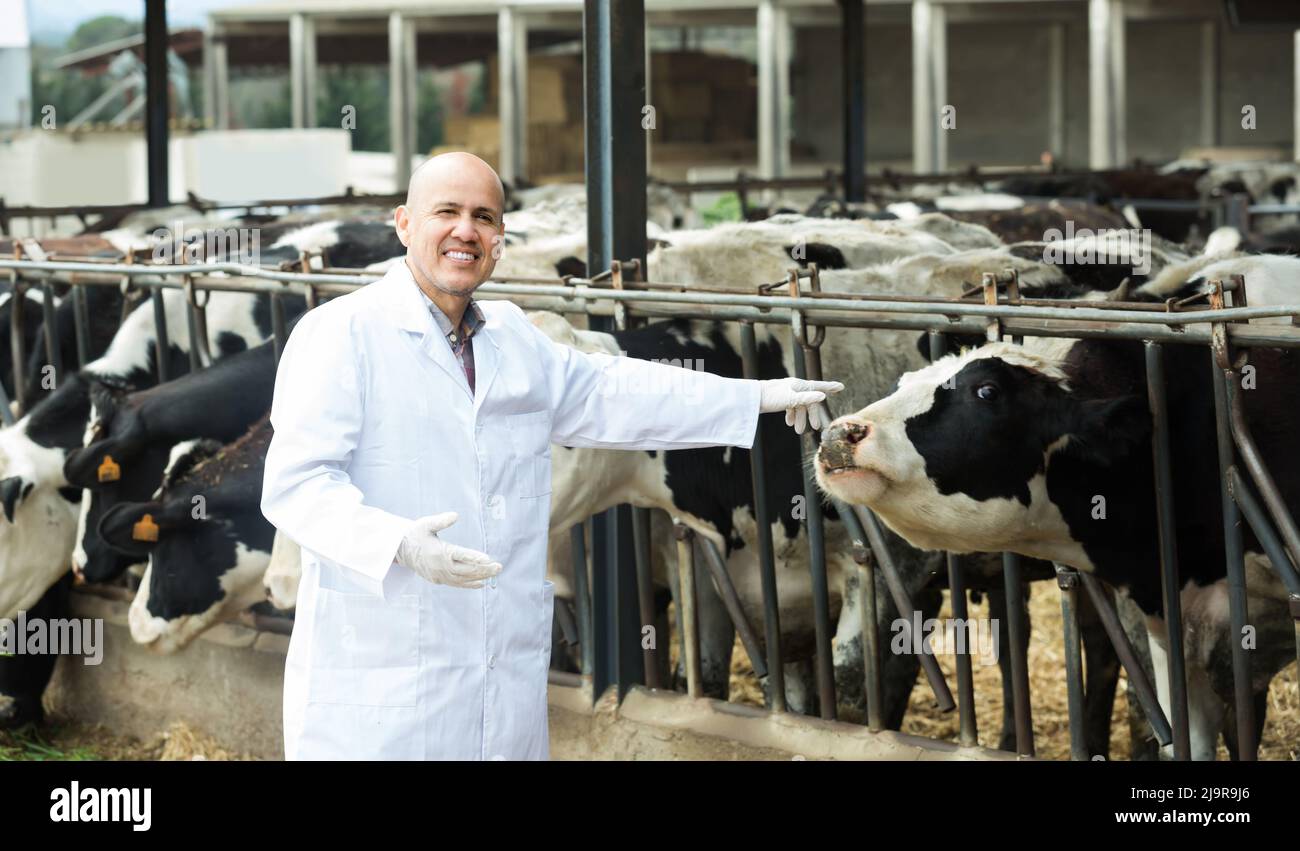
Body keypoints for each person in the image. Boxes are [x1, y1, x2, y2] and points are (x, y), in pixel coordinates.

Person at [261, 152, 842, 760]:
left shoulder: (512, 337)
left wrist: (754, 397)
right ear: (404, 224)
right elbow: (296, 485)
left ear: (500, 240)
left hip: (500, 683)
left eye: (484, 217)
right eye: (447, 212)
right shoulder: (340, 334)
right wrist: (398, 545)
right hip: (382, 683)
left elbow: (613, 392)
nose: (466, 231)